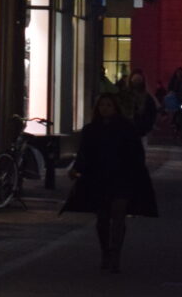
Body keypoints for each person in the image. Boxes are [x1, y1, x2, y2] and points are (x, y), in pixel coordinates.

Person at [63, 91, 159, 272]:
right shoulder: (91, 130)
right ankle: (105, 251)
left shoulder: (126, 128)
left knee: (119, 215)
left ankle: (115, 255)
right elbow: (85, 153)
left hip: (122, 178)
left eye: (108, 105)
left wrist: (135, 172)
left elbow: (136, 153)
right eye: (102, 105)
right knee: (102, 218)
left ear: (115, 108)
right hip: (99, 178)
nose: (105, 109)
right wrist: (77, 169)